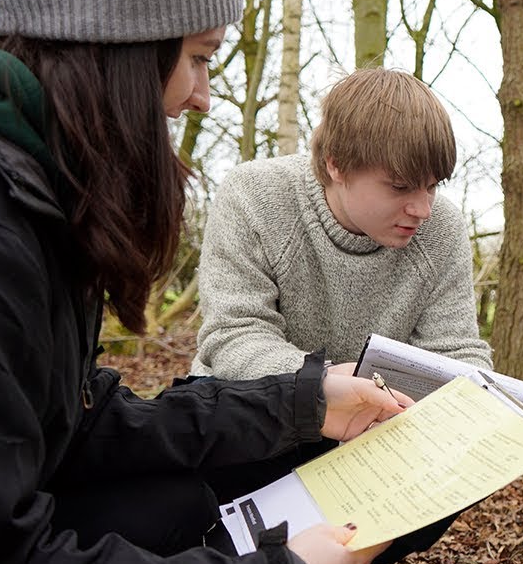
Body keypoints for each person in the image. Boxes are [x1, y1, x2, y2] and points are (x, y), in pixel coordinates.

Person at [0, 0, 410, 564]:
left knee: (171, 504)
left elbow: (78, 423)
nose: (202, 96)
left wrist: (300, 404)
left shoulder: (27, 177)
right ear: (124, 48)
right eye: (199, 57)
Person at [190, 67, 491, 382]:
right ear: (336, 164)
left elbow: (455, 352)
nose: (423, 210)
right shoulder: (254, 196)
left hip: (381, 419)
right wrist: (324, 384)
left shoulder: (442, 229)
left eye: (432, 186)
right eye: (400, 187)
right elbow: (234, 335)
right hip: (247, 411)